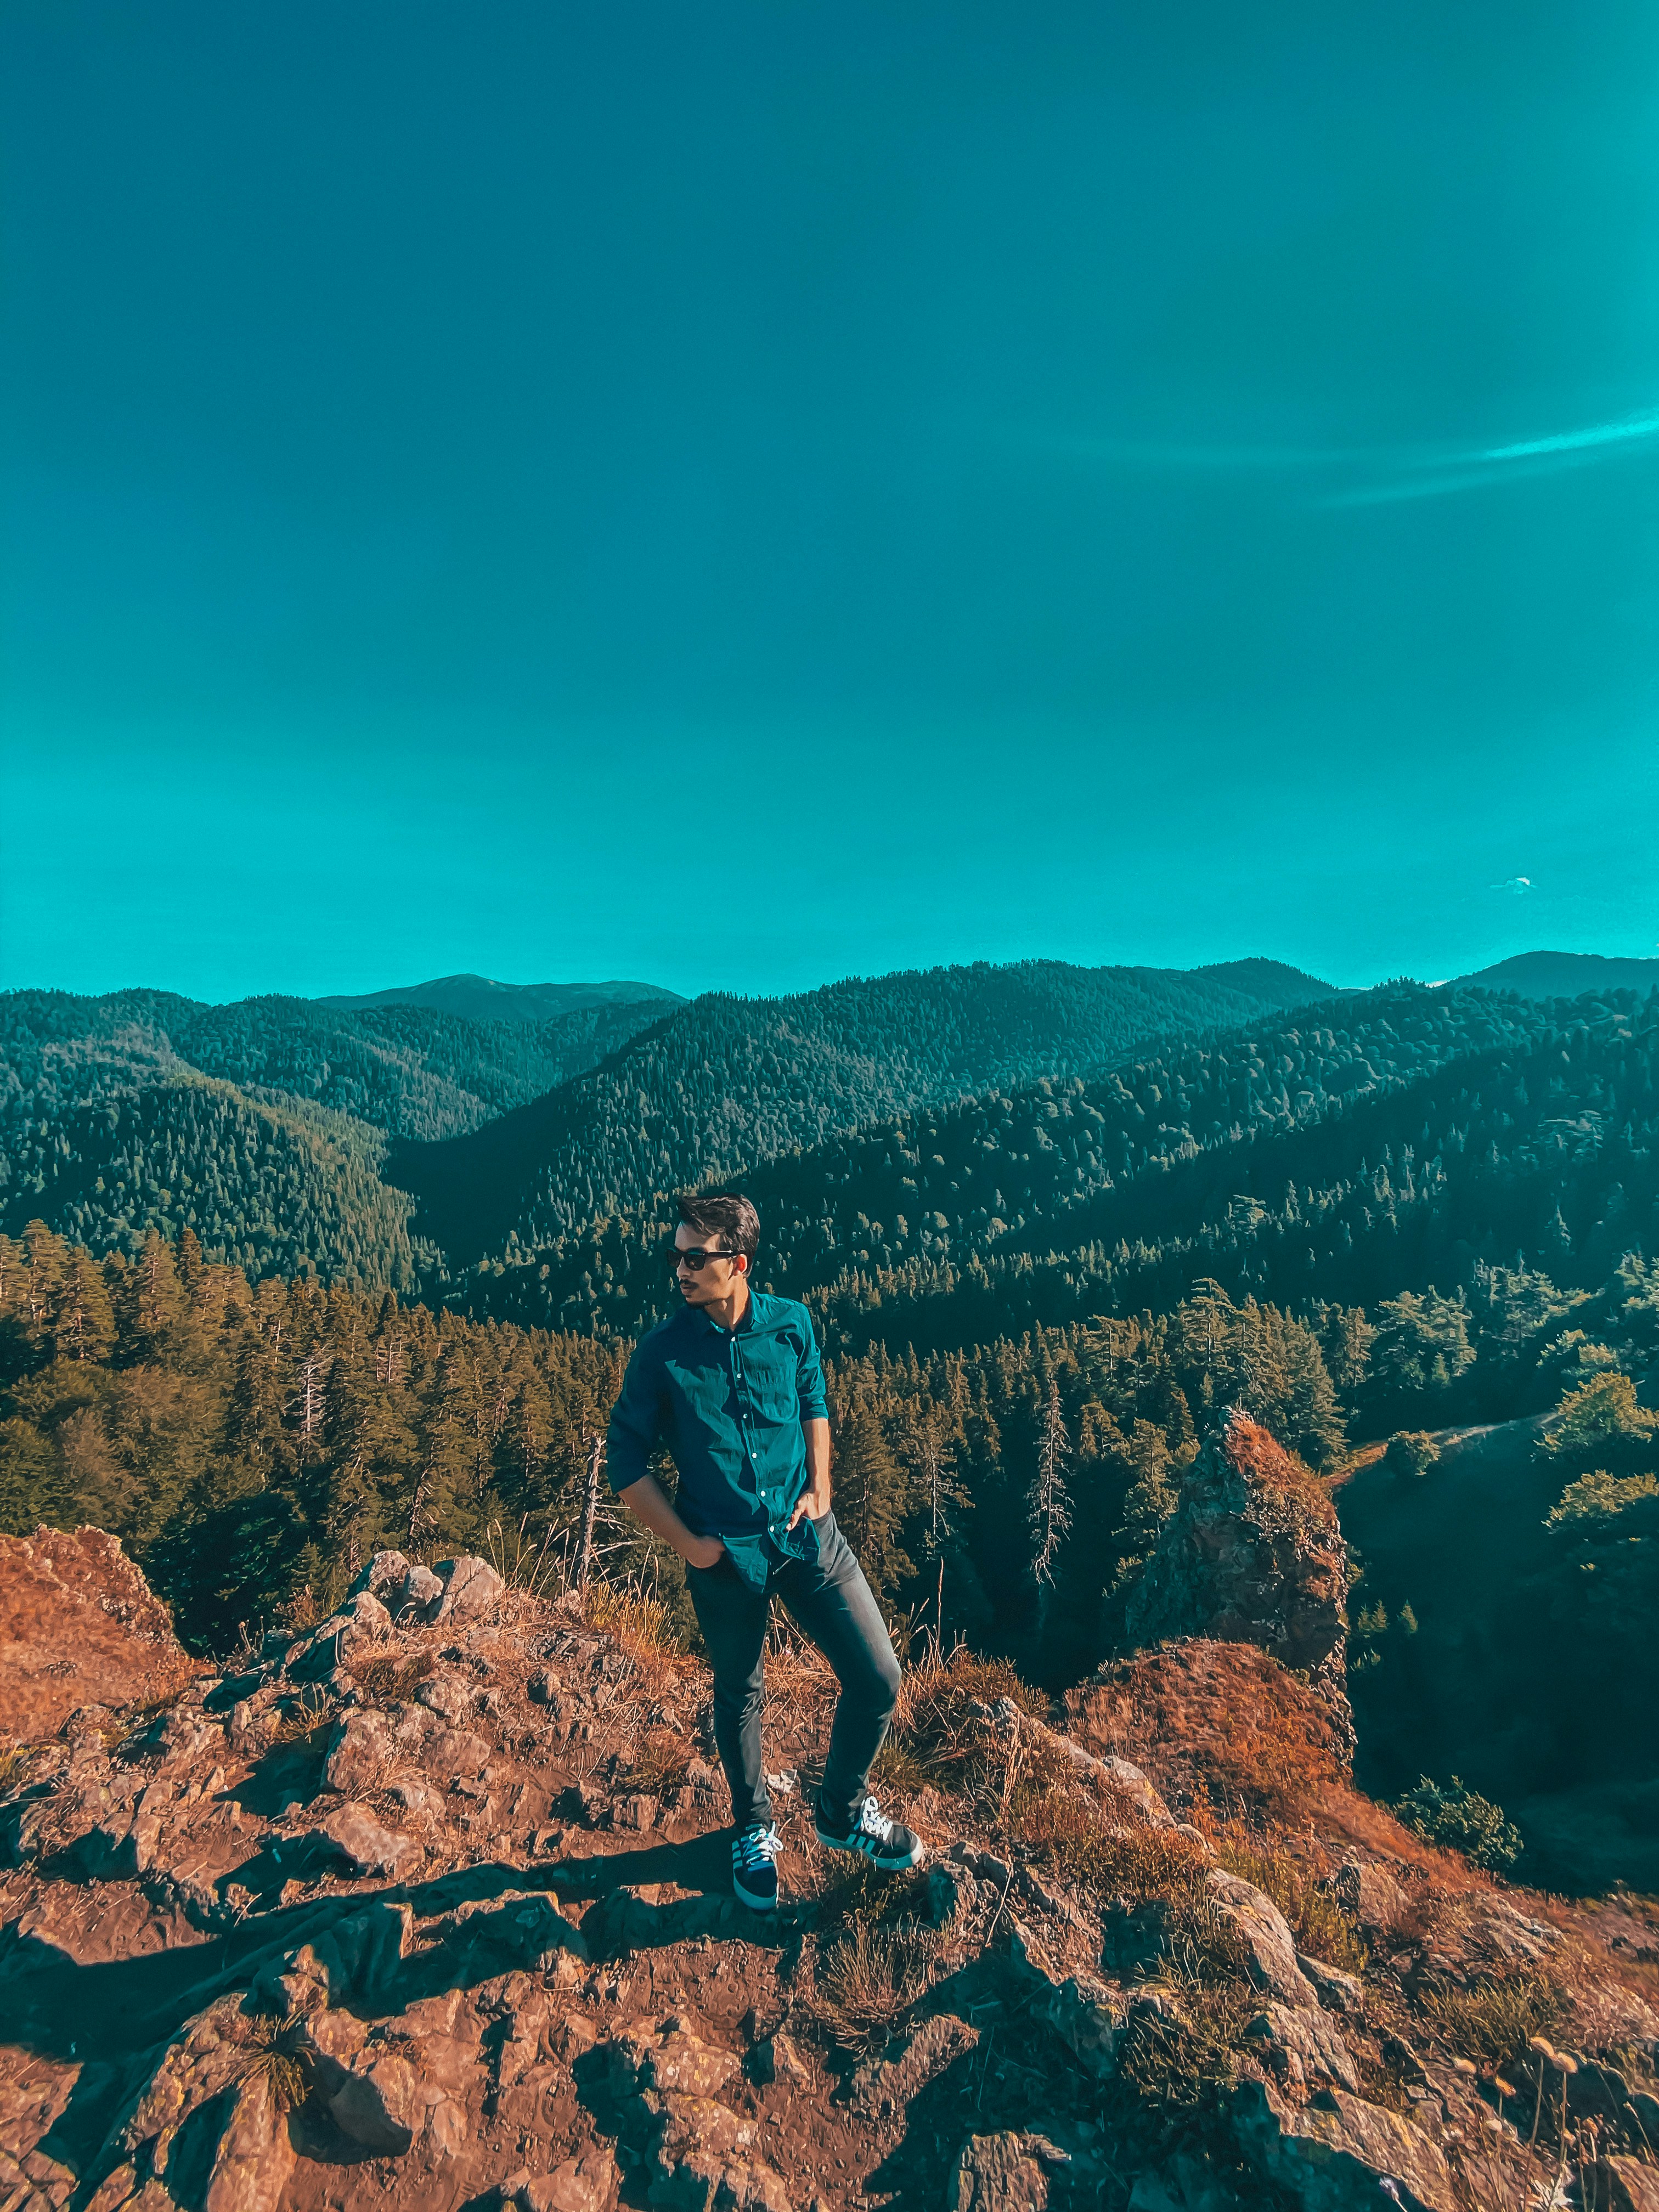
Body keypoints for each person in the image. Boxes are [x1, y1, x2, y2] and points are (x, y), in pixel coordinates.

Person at [606, 1191, 924, 1912]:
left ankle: (842, 1813)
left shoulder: (791, 1324)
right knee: (741, 1692)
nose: (679, 1271)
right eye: (675, 1256)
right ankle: (752, 1827)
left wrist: (823, 1486)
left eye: (695, 1258)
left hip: (809, 1536)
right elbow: (624, 1458)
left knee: (877, 1676)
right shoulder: (663, 1354)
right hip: (726, 1555)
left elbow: (814, 1396)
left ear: (738, 1263)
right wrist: (689, 1544)